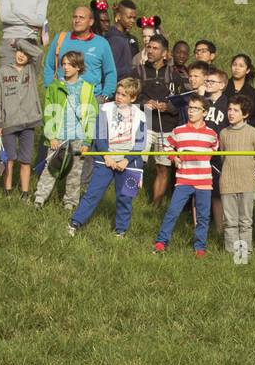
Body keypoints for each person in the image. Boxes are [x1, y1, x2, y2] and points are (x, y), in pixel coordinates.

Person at [68, 77, 147, 236]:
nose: (118, 97)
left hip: (129, 163)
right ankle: (75, 223)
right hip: (105, 159)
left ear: (133, 98)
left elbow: (140, 143)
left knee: (125, 197)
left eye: (124, 95)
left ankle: (120, 230)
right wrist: (107, 156)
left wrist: (126, 159)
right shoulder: (105, 109)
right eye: (118, 93)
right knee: (93, 193)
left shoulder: (141, 115)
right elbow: (99, 136)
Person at [153, 97, 218, 256]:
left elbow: (215, 148)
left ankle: (200, 247)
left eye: (196, 108)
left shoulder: (211, 134)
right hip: (183, 180)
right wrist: (174, 158)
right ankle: (162, 242)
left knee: (203, 216)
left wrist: (206, 155)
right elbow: (167, 146)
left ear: (204, 112)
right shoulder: (179, 130)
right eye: (190, 108)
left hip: (204, 181)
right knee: (172, 211)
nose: (191, 111)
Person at [32, 50, 95, 209]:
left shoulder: (87, 88)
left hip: (79, 137)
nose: (66, 68)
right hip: (59, 135)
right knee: (50, 168)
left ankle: (70, 203)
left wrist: (87, 141)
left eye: (70, 65)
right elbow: (49, 113)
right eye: (64, 64)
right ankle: (39, 199)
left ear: (78, 67)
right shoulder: (55, 86)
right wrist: (51, 136)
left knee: (75, 173)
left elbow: (91, 117)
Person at [0, 37, 42, 199]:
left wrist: (19, 41)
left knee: (25, 160)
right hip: (8, 123)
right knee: (9, 159)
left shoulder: (31, 70)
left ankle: (25, 194)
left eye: (26, 53)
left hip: (28, 122)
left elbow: (38, 53)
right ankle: (8, 192)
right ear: (14, 52)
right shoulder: (3, 72)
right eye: (19, 51)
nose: (21, 55)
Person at [134, 34, 182, 207]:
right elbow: (130, 98)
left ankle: (156, 205)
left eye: (155, 48)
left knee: (162, 167)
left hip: (167, 128)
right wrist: (144, 103)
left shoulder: (174, 75)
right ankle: (128, 199)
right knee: (136, 163)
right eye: (149, 47)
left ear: (164, 53)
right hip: (144, 125)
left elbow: (181, 104)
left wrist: (168, 107)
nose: (151, 51)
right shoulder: (138, 71)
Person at [217, 94, 255, 254]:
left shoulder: (254, 133)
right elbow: (223, 157)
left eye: (236, 110)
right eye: (229, 109)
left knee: (245, 222)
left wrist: (248, 169)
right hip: (227, 183)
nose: (231, 113)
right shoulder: (223, 133)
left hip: (247, 183)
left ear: (245, 114)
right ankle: (232, 254)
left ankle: (243, 255)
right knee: (230, 222)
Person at [44, 4, 115, 100]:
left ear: (91, 22)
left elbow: (110, 72)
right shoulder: (60, 38)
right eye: (75, 17)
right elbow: (49, 66)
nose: (77, 20)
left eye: (81, 17)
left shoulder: (102, 43)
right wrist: (50, 89)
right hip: (62, 97)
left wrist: (105, 96)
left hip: (91, 100)